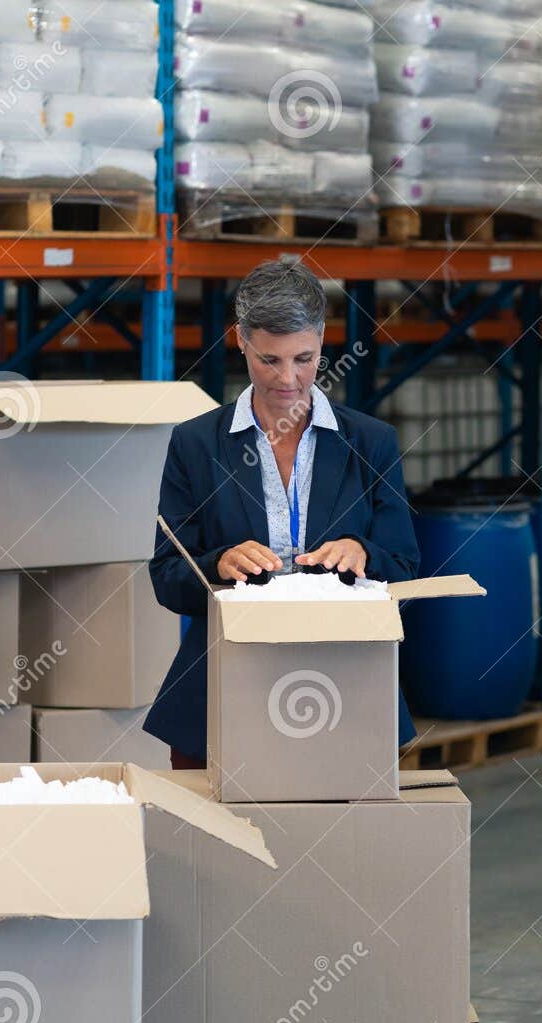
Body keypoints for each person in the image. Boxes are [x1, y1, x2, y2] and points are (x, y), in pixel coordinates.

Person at [145, 257, 420, 768]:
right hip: (223, 689)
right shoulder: (195, 444)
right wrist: (217, 564)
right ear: (241, 341)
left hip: (346, 686)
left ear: (322, 340)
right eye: (269, 359)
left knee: (336, 843)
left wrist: (363, 552)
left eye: (305, 358)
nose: (289, 379)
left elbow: (404, 566)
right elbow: (166, 577)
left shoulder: (372, 443)